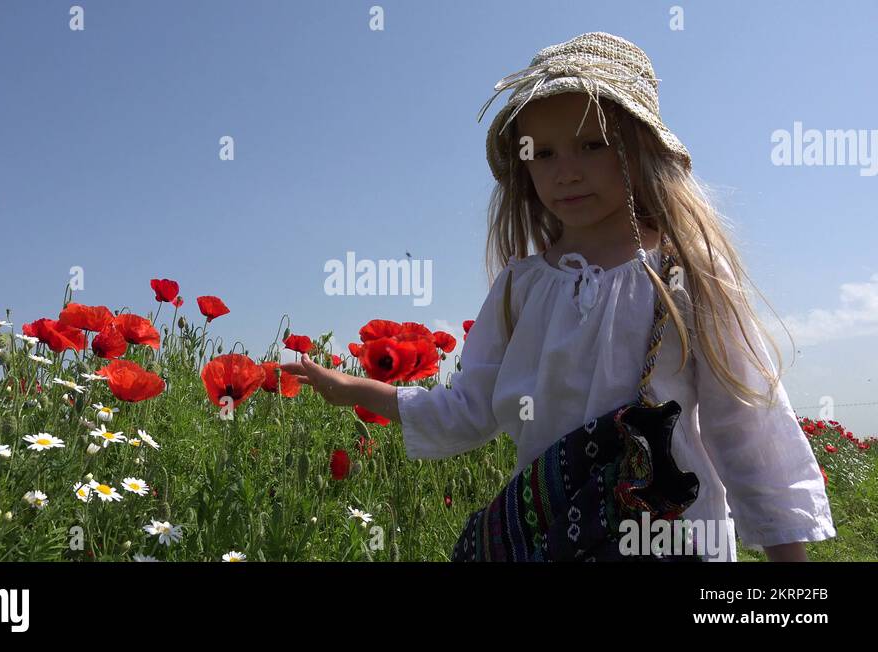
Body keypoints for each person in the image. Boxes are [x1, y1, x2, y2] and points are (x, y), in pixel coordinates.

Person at [282, 32, 835, 562]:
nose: (565, 172)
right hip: (555, 537)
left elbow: (745, 422)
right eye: (541, 153)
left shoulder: (683, 276)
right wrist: (357, 388)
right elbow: (469, 410)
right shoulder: (522, 287)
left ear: (639, 149)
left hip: (674, 540)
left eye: (591, 145)